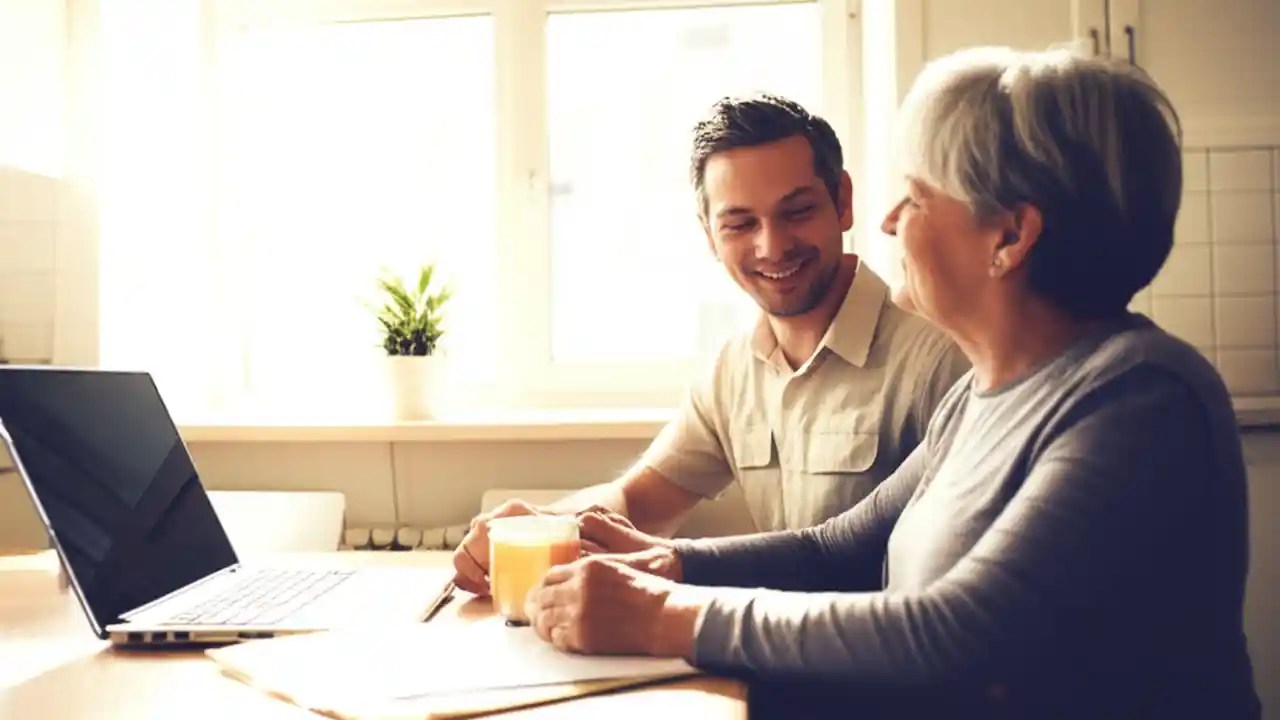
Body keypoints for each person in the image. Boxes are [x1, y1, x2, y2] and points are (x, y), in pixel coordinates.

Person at [522, 47, 1261, 718]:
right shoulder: (984, 393)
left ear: (1008, 236)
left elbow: (955, 635)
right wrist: (671, 564)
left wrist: (664, 613)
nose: (886, 222)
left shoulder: (1140, 398)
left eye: (916, 197)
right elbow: (836, 547)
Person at [451, 95, 970, 595]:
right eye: (740, 223)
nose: (772, 245)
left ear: (842, 202)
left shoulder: (939, 360)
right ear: (709, 234)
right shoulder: (733, 367)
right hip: (766, 661)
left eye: (797, 211)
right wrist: (534, 526)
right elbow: (636, 502)